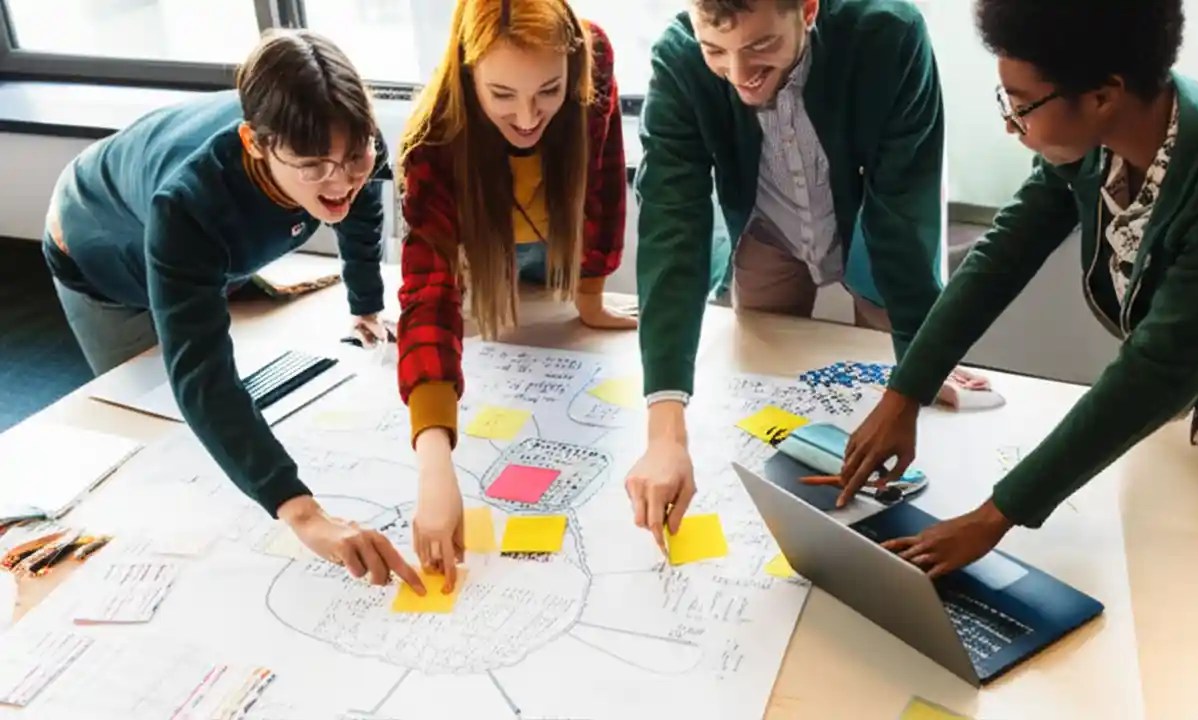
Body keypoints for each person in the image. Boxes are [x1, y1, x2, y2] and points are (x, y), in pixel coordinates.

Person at [834, 0, 1198, 617]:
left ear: (1102, 95)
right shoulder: (1097, 142)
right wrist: (905, 391)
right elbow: (1002, 255)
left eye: (1021, 103)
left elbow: (1160, 374)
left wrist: (995, 516)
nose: (1011, 125)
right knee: (1167, 559)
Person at [42, 29, 425, 594]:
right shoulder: (189, 205)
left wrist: (365, 303)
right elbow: (203, 377)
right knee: (162, 433)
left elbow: (363, 206)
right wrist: (303, 513)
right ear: (254, 143)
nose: (341, 178)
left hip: (207, 252)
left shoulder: (351, 141)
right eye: (316, 166)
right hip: (102, 257)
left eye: (355, 156)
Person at [626, 0, 988, 549]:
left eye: (761, 46)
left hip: (869, 221)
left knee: (896, 379)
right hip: (766, 226)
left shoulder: (890, 33)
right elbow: (672, 229)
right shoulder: (678, 59)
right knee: (763, 365)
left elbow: (903, 214)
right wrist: (665, 430)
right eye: (715, 50)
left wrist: (921, 359)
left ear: (809, 9)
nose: (740, 76)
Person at [396, 0, 631, 588]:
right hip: (482, 251)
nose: (528, 117)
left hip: (553, 241)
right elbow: (428, 294)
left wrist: (591, 293)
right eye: (501, 94)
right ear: (466, 69)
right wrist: (435, 466)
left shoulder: (594, 55)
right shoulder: (431, 140)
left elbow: (603, 180)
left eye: (549, 91)